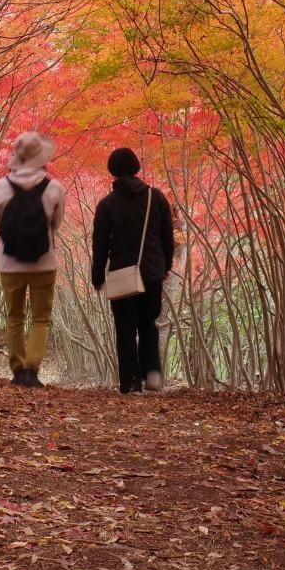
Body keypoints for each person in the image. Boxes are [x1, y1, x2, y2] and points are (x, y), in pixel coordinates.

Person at [92, 147, 176, 394]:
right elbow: (167, 238)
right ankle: (152, 376)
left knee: (124, 327)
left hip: (121, 275)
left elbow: (100, 244)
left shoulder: (106, 205)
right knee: (148, 323)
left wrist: (97, 275)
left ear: (113, 171)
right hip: (151, 271)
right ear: (137, 167)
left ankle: (130, 381)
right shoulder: (156, 198)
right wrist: (165, 265)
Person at [0, 131, 65, 387]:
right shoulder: (54, 187)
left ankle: (17, 369)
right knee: (40, 318)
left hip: (9, 263)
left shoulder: (1, 186)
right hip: (43, 263)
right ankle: (32, 371)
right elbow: (55, 225)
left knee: (14, 317)